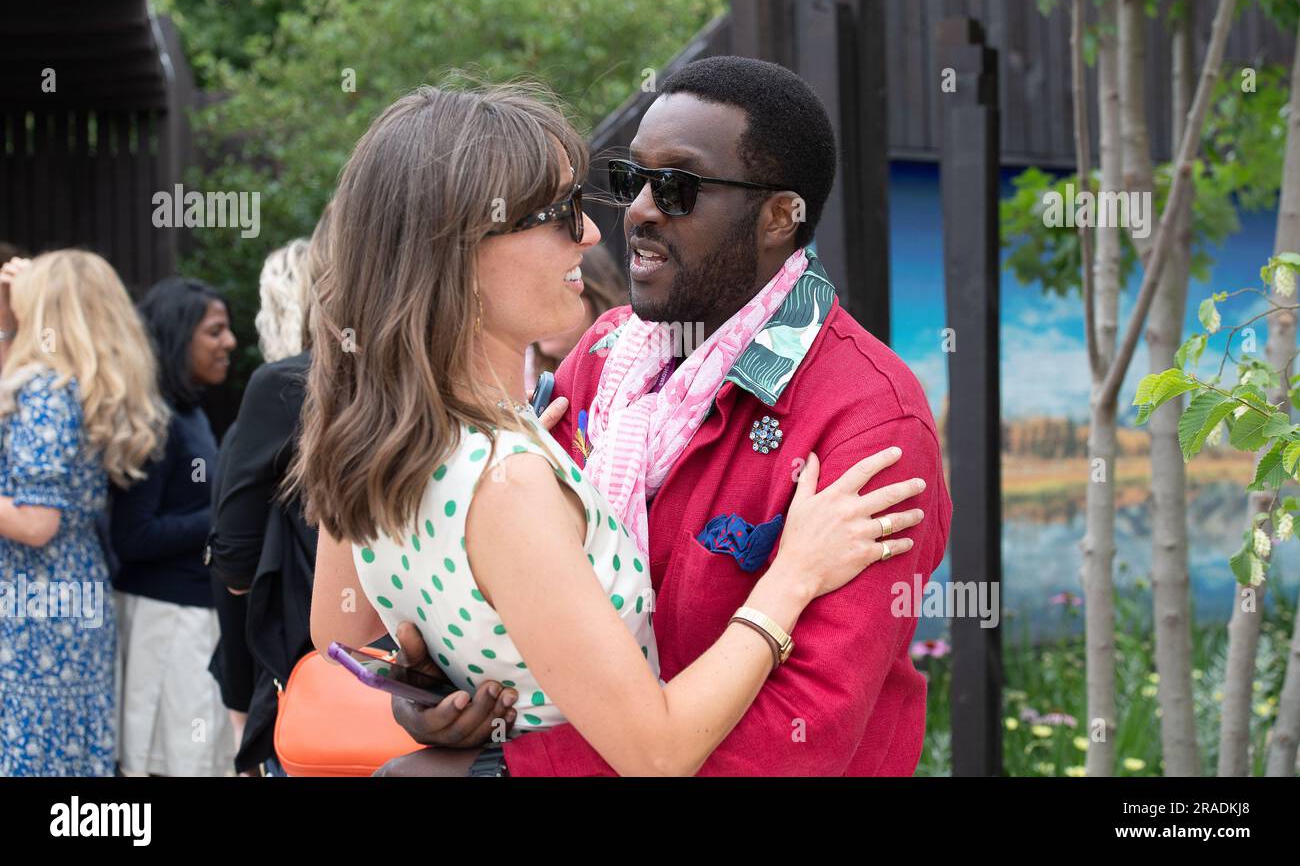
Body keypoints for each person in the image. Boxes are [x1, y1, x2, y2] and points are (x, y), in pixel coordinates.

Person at [295, 81, 923, 777]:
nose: (628, 217)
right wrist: (435, 690)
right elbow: (499, 618)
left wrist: (508, 768)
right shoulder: (599, 361)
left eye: (678, 187)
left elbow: (807, 732)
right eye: (630, 181)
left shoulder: (866, 418)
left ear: (779, 216)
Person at [0, 251, 168, 776]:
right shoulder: (74, 386)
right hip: (72, 591)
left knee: (31, 747)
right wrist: (12, 320)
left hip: (32, 603)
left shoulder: (45, 394)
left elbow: (35, 520)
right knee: (63, 749)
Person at [207, 212, 329, 776]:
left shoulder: (282, 390)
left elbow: (233, 567)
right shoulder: (438, 376)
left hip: (307, 677)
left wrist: (239, 697)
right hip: (428, 683)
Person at [111, 277, 238, 776]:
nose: (229, 342)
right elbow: (133, 536)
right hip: (165, 620)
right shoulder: (154, 420)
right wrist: (226, 517)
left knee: (200, 757)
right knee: (172, 760)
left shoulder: (190, 412)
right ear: (178, 335)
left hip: (195, 615)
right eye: (215, 331)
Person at [524, 243, 624, 395]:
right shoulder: (522, 371)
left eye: (556, 298)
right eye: (534, 298)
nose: (539, 313)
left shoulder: (628, 371)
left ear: (598, 298)